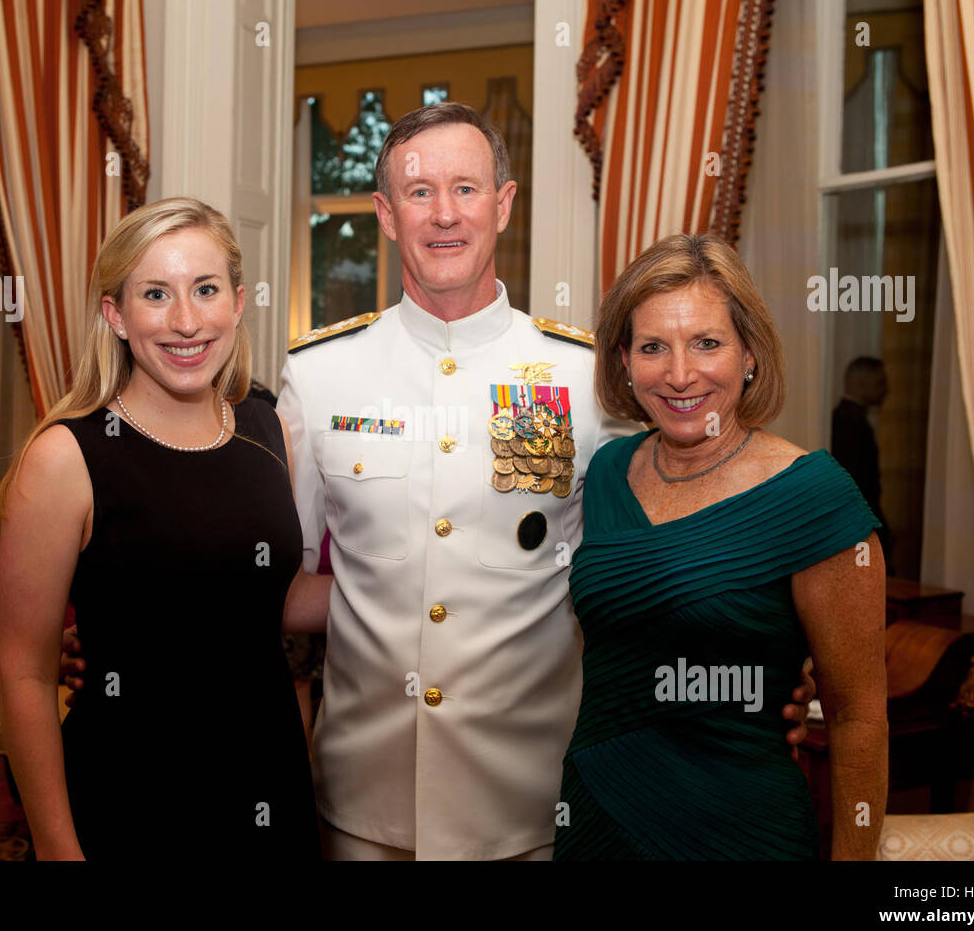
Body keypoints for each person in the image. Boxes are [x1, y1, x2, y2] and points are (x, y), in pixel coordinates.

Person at [273, 103, 817, 860]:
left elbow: (654, 570)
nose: (443, 213)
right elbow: (280, 587)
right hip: (364, 804)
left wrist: (760, 678)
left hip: (533, 806)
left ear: (503, 203)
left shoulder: (588, 379)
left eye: (465, 188)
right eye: (418, 191)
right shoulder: (319, 376)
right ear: (386, 214)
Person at [0, 198, 328, 860]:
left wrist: (413, 578)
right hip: (133, 801)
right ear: (115, 314)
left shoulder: (268, 432)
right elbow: (25, 675)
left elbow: (273, 600)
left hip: (270, 788)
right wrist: (62, 854)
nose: (185, 321)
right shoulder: (68, 456)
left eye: (205, 290)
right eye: (155, 294)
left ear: (237, 302)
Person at [554, 234, 889, 860]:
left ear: (751, 354)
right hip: (597, 817)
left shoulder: (813, 496)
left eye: (707, 343)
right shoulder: (607, 472)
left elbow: (858, 719)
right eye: (653, 347)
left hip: (739, 829)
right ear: (623, 360)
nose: (680, 374)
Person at [832, 356, 892, 565]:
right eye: (880, 383)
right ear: (860, 384)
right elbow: (858, 483)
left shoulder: (847, 419)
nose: (886, 390)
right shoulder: (852, 424)